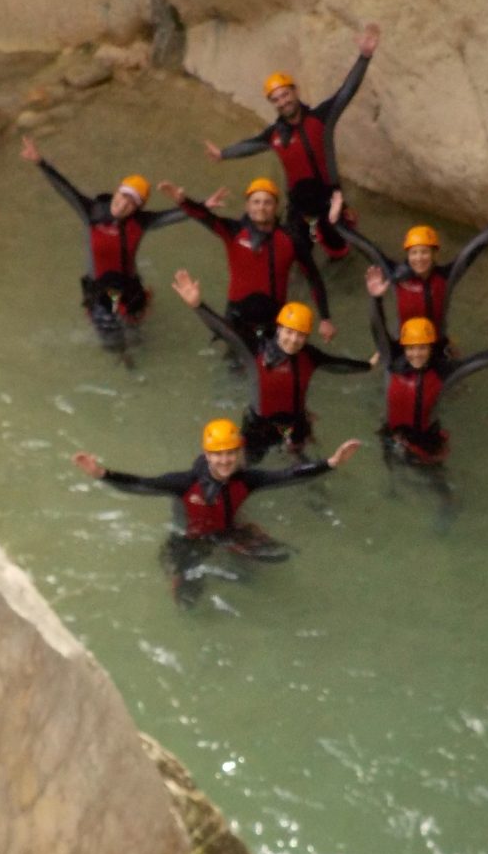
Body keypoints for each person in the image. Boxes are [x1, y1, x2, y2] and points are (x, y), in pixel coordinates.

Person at [74, 419, 361, 605]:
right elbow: (141, 485)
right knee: (188, 602)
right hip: (189, 539)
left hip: (227, 530)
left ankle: (243, 540)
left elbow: (288, 476)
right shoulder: (184, 483)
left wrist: (331, 463)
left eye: (230, 453)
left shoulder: (246, 479)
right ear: (207, 454)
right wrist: (103, 474)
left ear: (238, 453)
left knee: (273, 562)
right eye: (218, 454)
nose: (225, 460)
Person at [202, 24, 380, 259]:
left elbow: (346, 91)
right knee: (296, 254)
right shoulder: (274, 135)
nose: (283, 101)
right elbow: (250, 146)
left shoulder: (321, 118)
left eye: (285, 94)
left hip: (329, 200)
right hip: (298, 207)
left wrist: (364, 57)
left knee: (339, 252)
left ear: (295, 92)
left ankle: (338, 241)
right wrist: (223, 154)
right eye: (276, 99)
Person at [172, 269, 376, 461]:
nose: (293, 340)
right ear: (278, 329)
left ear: (306, 337)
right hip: (258, 426)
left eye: (300, 335)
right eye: (289, 332)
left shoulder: (310, 355)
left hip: (295, 425)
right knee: (250, 467)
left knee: (303, 465)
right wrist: (198, 305)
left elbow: (336, 364)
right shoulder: (255, 350)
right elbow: (225, 331)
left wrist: (368, 365)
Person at [21, 134, 190, 346]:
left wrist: (202, 206)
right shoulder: (92, 212)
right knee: (113, 343)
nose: (123, 204)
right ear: (116, 191)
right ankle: (123, 356)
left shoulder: (141, 222)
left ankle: (134, 347)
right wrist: (40, 162)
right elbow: (65, 189)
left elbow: (178, 215)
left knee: (138, 338)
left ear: (137, 209)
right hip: (102, 293)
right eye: (123, 195)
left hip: (130, 289)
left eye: (132, 202)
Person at [158, 175, 332, 351]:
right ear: (247, 206)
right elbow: (205, 217)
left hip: (275, 322)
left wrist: (325, 319)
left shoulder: (291, 239)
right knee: (235, 363)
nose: (261, 207)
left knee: (275, 363)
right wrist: (183, 201)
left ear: (276, 207)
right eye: (256, 202)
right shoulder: (233, 231)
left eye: (267, 202)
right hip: (237, 320)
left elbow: (314, 278)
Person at [371, 296, 488, 466]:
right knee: (390, 467)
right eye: (411, 348)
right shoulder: (392, 362)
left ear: (431, 348)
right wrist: (375, 298)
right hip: (392, 434)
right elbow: (379, 330)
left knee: (434, 478)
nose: (416, 354)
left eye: (422, 348)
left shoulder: (443, 372)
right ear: (404, 348)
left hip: (426, 441)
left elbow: (476, 361)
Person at [332, 187, 488, 341]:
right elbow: (368, 249)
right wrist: (337, 225)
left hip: (436, 343)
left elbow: (470, 252)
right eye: (414, 253)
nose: (419, 258)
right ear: (408, 255)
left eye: (425, 252)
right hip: (403, 343)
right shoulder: (395, 274)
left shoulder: (446, 277)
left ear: (435, 254)